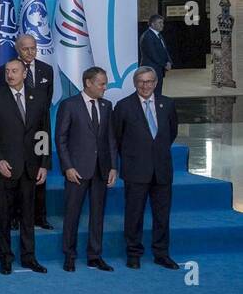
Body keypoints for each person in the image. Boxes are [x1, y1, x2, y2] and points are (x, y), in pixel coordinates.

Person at [0, 58, 50, 275]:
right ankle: (6, 258)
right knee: (4, 215)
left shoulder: (39, 97)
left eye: (15, 71)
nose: (10, 74)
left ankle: (29, 257)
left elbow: (43, 132)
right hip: (5, 167)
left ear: (24, 74)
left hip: (31, 167)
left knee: (28, 216)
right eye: (7, 71)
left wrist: (43, 164)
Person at [113, 66, 179, 270]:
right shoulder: (123, 106)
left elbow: (172, 133)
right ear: (135, 83)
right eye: (141, 81)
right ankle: (133, 253)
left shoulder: (167, 104)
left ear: (156, 83)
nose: (145, 85)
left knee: (162, 215)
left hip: (162, 169)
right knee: (134, 214)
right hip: (135, 170)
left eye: (149, 81)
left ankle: (161, 253)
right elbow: (117, 137)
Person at [55, 66, 117, 273]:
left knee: (98, 215)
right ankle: (69, 256)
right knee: (72, 215)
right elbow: (61, 139)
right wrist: (68, 167)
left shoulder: (107, 106)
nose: (105, 88)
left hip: (101, 170)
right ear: (88, 83)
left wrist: (113, 167)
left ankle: (94, 256)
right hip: (77, 171)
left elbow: (110, 139)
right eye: (101, 83)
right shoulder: (69, 105)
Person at [0, 33, 55, 230]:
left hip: (37, 135)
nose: (30, 52)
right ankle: (14, 217)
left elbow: (45, 106)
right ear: (17, 49)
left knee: (38, 176)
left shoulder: (47, 70)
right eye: (25, 48)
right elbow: (1, 102)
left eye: (33, 48)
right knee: (16, 182)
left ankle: (40, 216)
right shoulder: (6, 71)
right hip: (14, 139)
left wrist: (45, 156)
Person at [138, 14, 172, 94]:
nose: (162, 25)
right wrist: (164, 64)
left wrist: (169, 61)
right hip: (151, 69)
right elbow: (153, 55)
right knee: (152, 91)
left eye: (162, 23)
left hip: (158, 68)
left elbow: (164, 50)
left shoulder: (158, 35)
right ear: (152, 24)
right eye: (159, 23)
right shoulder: (147, 36)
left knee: (158, 90)